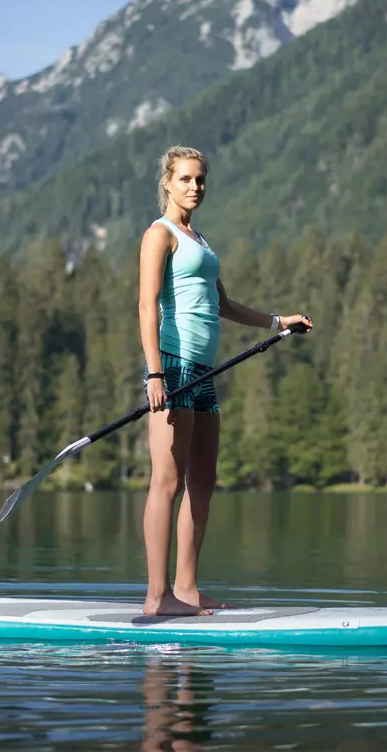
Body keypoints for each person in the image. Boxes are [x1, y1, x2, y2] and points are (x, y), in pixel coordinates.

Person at [138, 145, 312, 616]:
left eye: (201, 180)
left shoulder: (201, 240)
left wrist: (279, 322)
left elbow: (225, 304)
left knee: (204, 481)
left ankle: (188, 589)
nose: (195, 187)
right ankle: (158, 596)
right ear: (168, 183)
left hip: (205, 371)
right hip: (172, 366)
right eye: (186, 179)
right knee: (167, 482)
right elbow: (145, 305)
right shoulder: (160, 235)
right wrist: (155, 372)